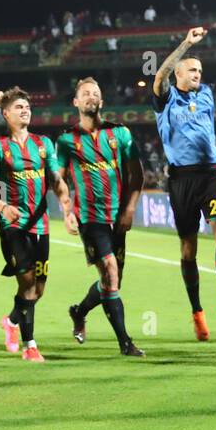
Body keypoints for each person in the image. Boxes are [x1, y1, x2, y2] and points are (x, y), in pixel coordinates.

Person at [152, 23, 216, 339]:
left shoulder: (208, 93)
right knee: (188, 249)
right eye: (192, 70)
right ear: (178, 74)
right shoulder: (165, 98)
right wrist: (185, 44)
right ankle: (197, 312)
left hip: (210, 174)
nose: (197, 73)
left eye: (199, 70)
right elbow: (158, 76)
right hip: (181, 180)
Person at [59, 77, 145, 356]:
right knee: (109, 269)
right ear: (76, 102)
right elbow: (58, 180)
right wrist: (66, 210)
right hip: (90, 218)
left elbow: (137, 174)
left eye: (95, 93)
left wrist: (130, 209)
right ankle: (125, 343)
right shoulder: (66, 141)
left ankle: (79, 310)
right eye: (85, 93)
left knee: (112, 281)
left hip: (118, 217)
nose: (90, 97)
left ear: (101, 101)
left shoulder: (120, 134)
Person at [0, 87, 66, 362]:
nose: (25, 110)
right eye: (19, 107)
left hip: (40, 224)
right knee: (29, 283)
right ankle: (30, 346)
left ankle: (11, 321)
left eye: (27, 107)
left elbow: (55, 179)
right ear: (5, 114)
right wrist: (2, 206)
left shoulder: (44, 144)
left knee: (38, 289)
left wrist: (66, 206)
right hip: (13, 227)